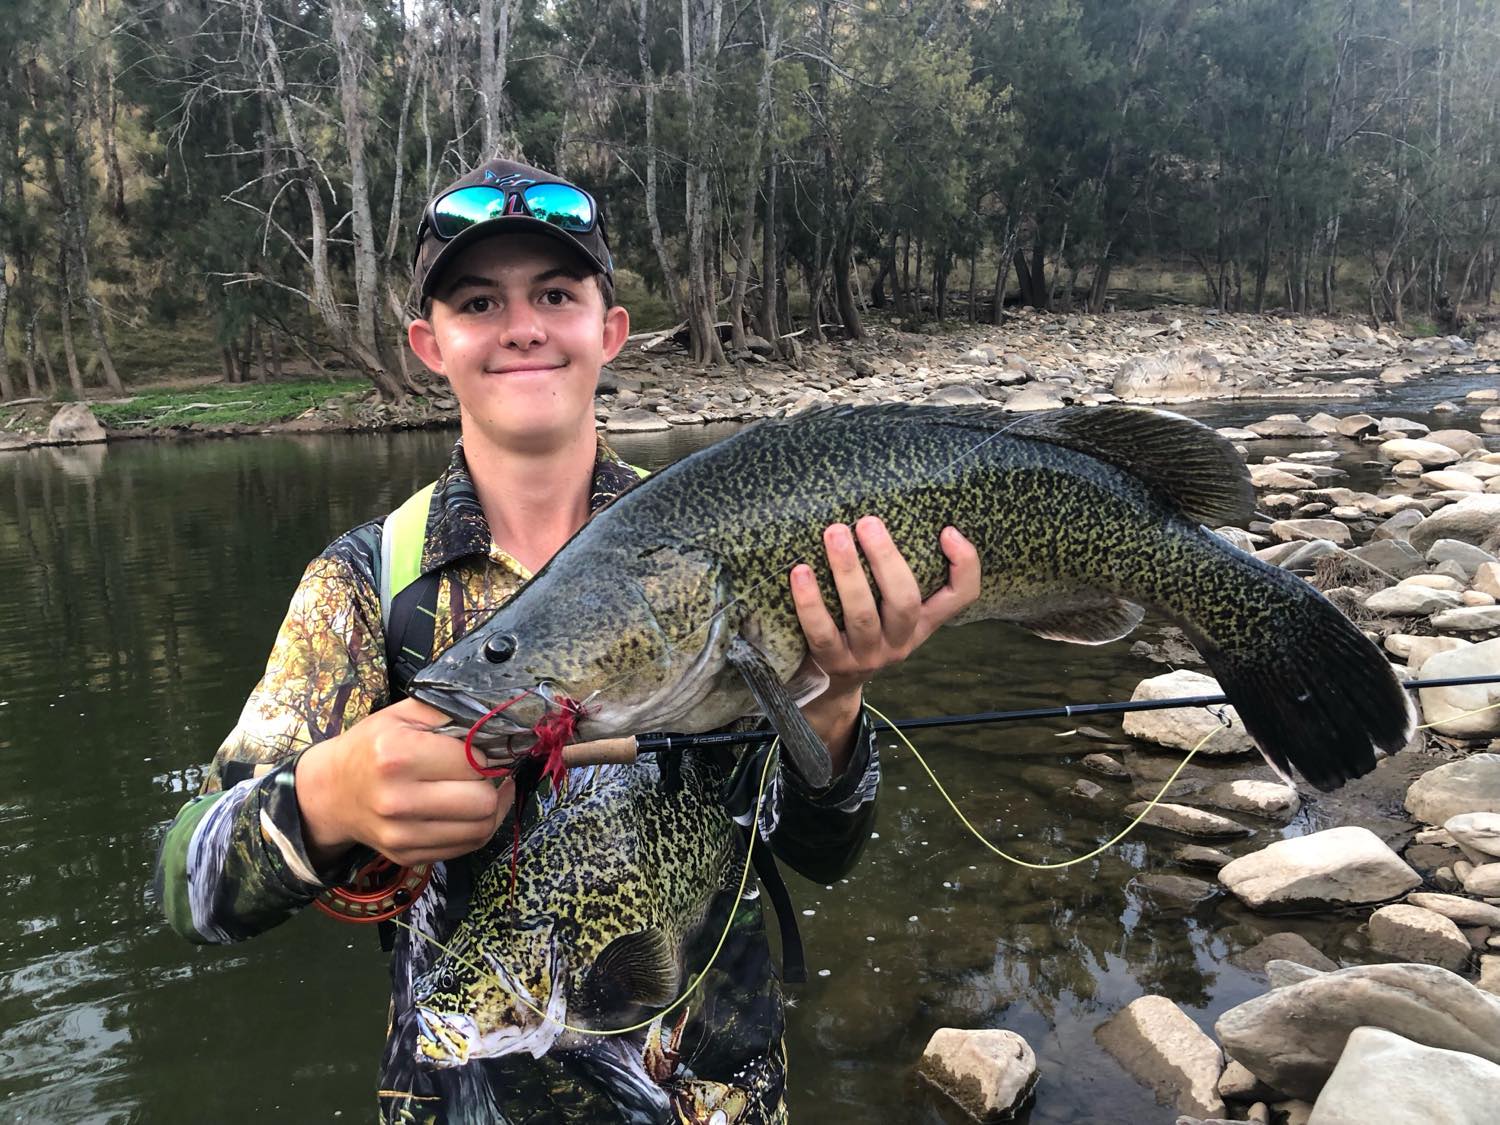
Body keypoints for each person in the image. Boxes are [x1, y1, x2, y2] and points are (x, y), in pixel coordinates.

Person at [156, 157, 980, 1123]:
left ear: (609, 329)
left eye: (555, 293)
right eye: (479, 302)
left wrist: (835, 700)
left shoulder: (728, 538)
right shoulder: (367, 584)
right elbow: (190, 886)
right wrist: (327, 795)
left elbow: (825, 851)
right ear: (429, 344)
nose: (522, 326)